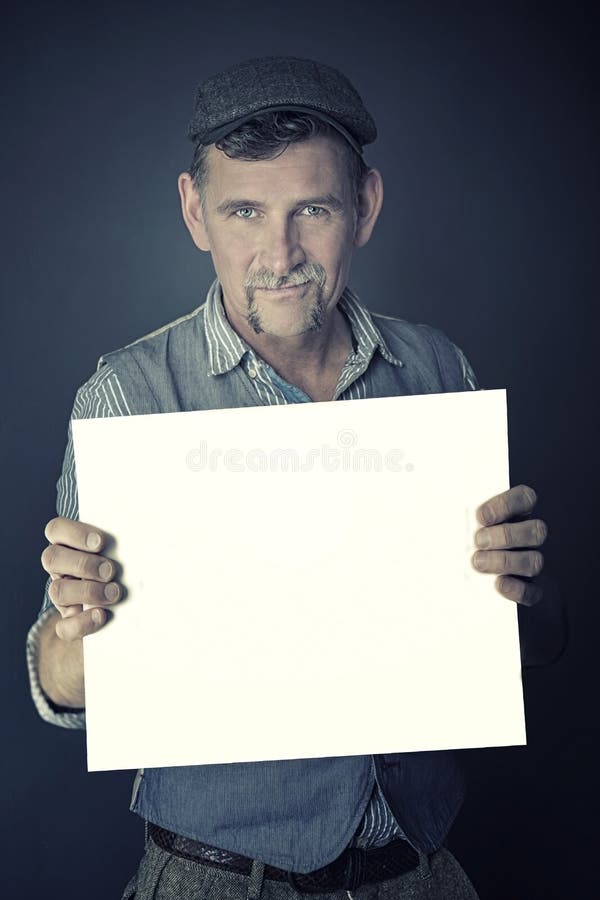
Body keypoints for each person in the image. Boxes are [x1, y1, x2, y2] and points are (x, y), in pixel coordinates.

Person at [28, 57, 558, 899]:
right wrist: (78, 633)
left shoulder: (437, 371)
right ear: (195, 212)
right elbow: (61, 688)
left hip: (420, 874)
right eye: (244, 211)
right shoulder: (126, 396)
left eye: (313, 209)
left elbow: (523, 645)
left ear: (365, 207)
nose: (279, 255)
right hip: (218, 881)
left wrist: (520, 591)